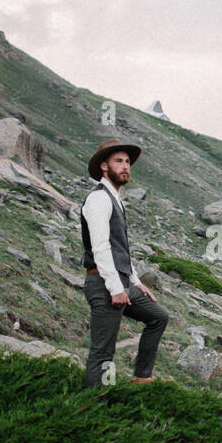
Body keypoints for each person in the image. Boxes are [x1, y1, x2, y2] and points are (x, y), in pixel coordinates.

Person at [80, 137, 169, 387]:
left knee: (158, 316)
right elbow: (101, 247)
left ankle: (141, 377)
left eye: (128, 162)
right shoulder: (98, 198)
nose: (126, 166)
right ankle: (93, 406)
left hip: (120, 281)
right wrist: (116, 288)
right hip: (104, 283)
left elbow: (120, 249)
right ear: (104, 166)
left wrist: (135, 282)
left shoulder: (115, 198)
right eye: (118, 161)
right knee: (103, 351)